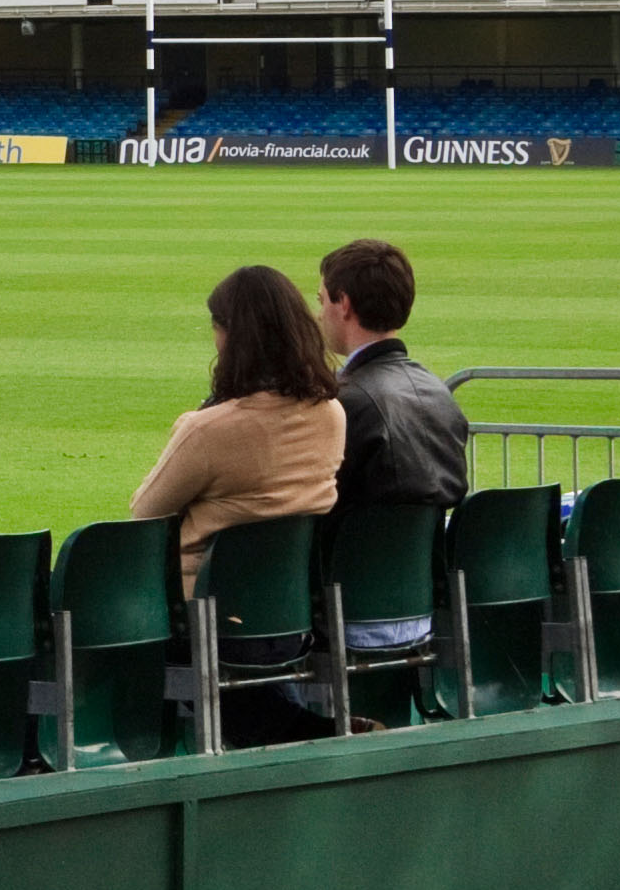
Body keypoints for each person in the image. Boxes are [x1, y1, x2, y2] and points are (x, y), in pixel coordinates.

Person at [131, 263, 346, 597]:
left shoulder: (206, 431)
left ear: (232, 336)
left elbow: (145, 511)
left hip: (202, 611)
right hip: (290, 608)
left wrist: (187, 429)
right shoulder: (332, 414)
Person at [322, 238, 472, 671]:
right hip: (421, 613)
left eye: (321, 301)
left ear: (343, 304)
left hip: (347, 616)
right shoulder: (438, 391)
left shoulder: (343, 403)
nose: (319, 315)